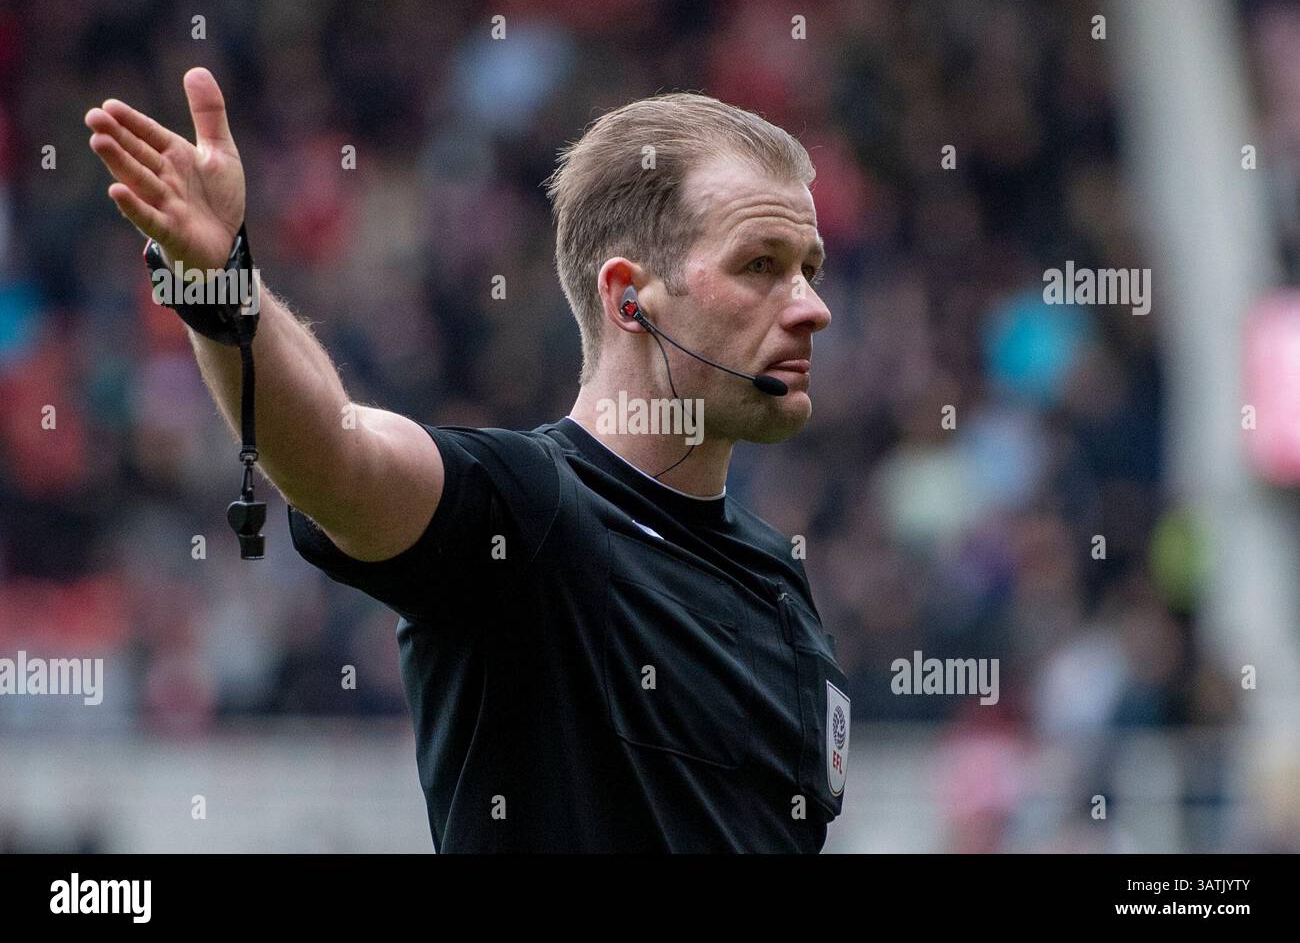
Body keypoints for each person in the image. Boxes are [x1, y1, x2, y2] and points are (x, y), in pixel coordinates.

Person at [86, 67, 848, 852]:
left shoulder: (778, 579)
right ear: (629, 298)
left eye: (810, 270)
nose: (811, 307)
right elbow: (335, 453)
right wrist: (218, 282)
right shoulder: (530, 511)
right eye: (760, 265)